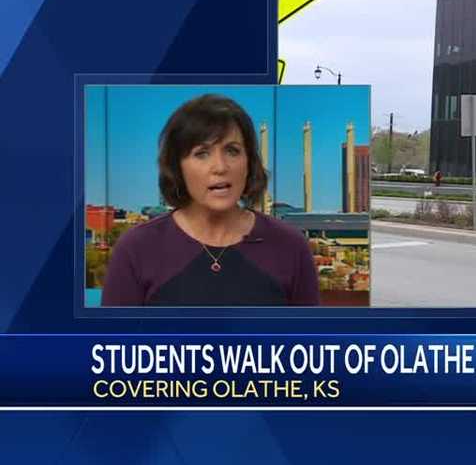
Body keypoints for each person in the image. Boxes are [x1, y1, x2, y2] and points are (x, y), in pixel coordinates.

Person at [102, 94, 319, 306]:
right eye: (202, 153)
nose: (220, 167)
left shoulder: (290, 246)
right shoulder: (137, 249)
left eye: (232, 151)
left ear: (249, 162)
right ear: (177, 167)